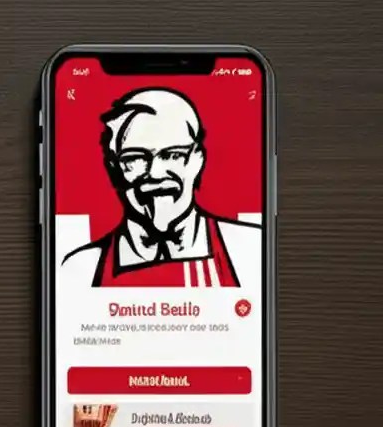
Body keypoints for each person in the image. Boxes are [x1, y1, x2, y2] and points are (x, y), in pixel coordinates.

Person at [62, 87, 261, 287]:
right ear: (114, 168)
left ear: (198, 160)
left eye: (174, 155)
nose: (156, 173)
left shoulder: (251, 249)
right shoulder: (82, 268)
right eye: (135, 158)